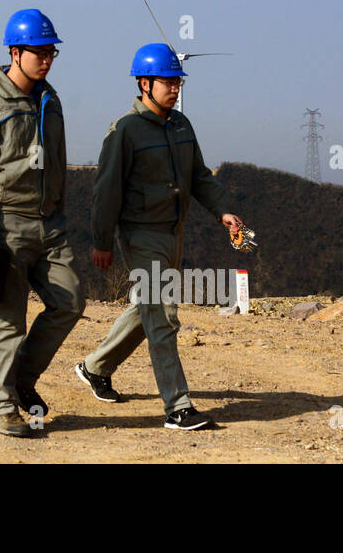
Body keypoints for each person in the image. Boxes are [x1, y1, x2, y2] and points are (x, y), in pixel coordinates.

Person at [74, 43, 243, 431]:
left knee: (147, 306)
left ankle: (95, 368)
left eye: (177, 81)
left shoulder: (182, 125)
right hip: (139, 235)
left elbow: (199, 175)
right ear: (144, 83)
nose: (175, 88)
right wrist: (102, 241)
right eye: (168, 81)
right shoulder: (125, 131)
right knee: (163, 314)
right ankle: (178, 407)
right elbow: (106, 191)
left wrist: (222, 210)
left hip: (174, 233)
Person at [0, 9, 85, 438]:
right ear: (15, 52)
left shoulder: (51, 100)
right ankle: (1, 407)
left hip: (50, 225)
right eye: (39, 52)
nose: (46, 59)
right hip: (6, 225)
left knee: (69, 302)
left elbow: (59, 161)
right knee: (9, 319)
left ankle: (20, 381)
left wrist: (60, 211)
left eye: (51, 52)